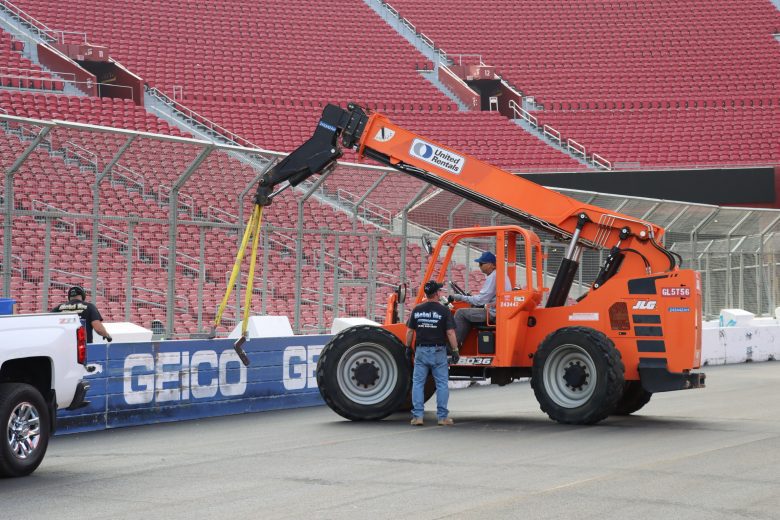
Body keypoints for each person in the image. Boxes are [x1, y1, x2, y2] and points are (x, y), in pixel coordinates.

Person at [406, 280, 459, 426]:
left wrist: (407, 347)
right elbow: (450, 333)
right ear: (436, 293)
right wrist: (455, 350)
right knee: (441, 384)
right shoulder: (444, 310)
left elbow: (410, 331)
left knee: (418, 383)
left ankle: (418, 417)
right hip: (438, 351)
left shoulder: (417, 309)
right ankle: (442, 418)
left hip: (421, 351)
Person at [450, 251, 511, 347]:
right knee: (469, 312)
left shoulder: (493, 276)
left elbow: (480, 300)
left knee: (460, 313)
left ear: (490, 264)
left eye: (481, 264)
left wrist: (462, 297)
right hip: (497, 311)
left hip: (493, 314)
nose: (479, 266)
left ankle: (453, 348)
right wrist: (470, 297)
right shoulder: (499, 275)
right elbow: (485, 298)